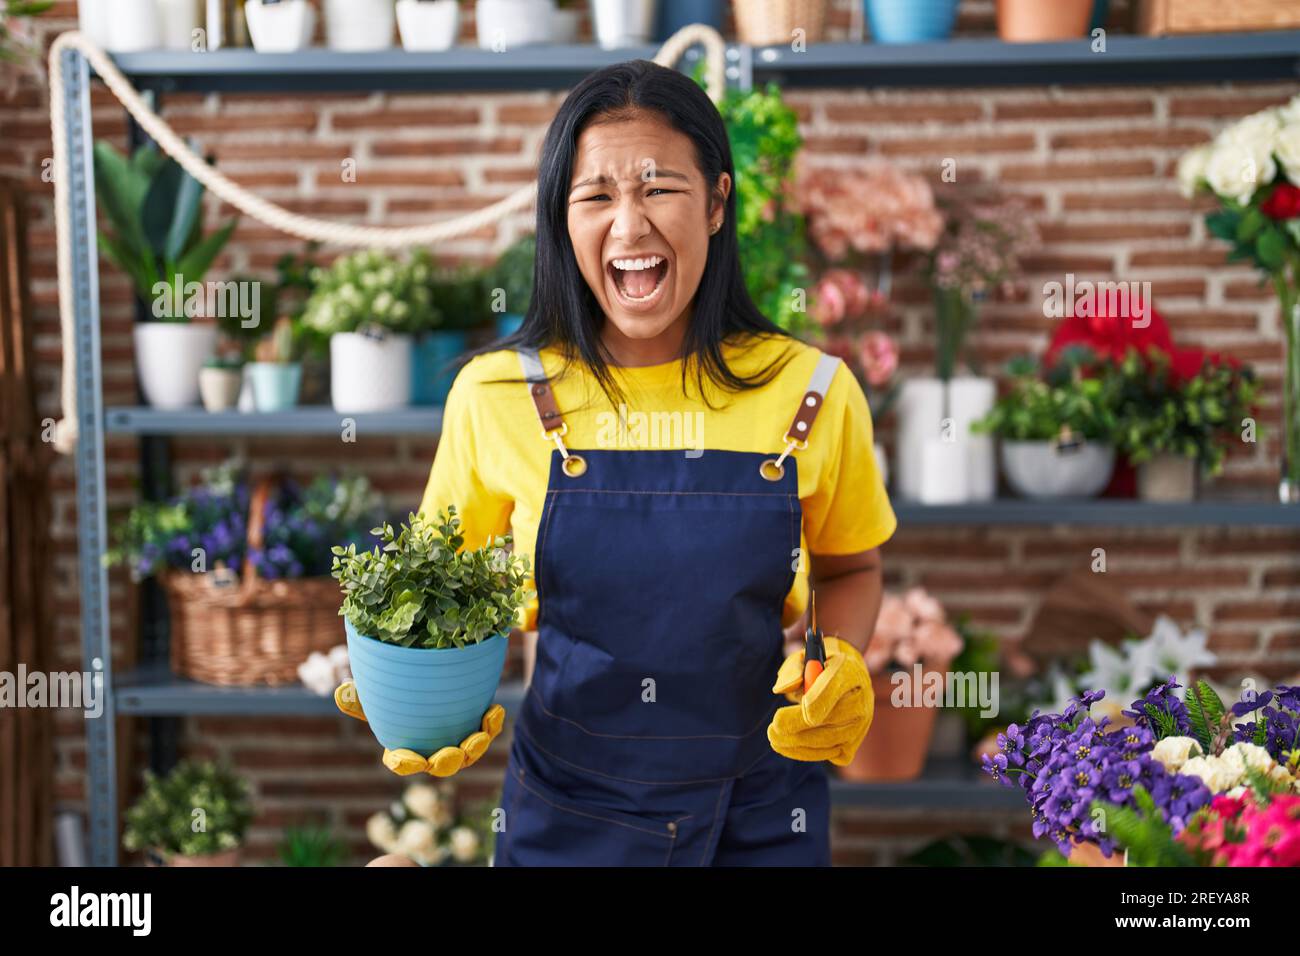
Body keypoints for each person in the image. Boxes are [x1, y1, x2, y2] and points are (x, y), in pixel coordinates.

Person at [355, 59, 895, 866]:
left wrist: (842, 659)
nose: (630, 226)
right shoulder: (496, 395)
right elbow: (441, 601)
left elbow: (851, 569)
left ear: (716, 202)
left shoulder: (813, 391)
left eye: (659, 189)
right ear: (561, 219)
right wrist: (425, 707)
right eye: (596, 195)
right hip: (566, 815)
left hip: (762, 812)